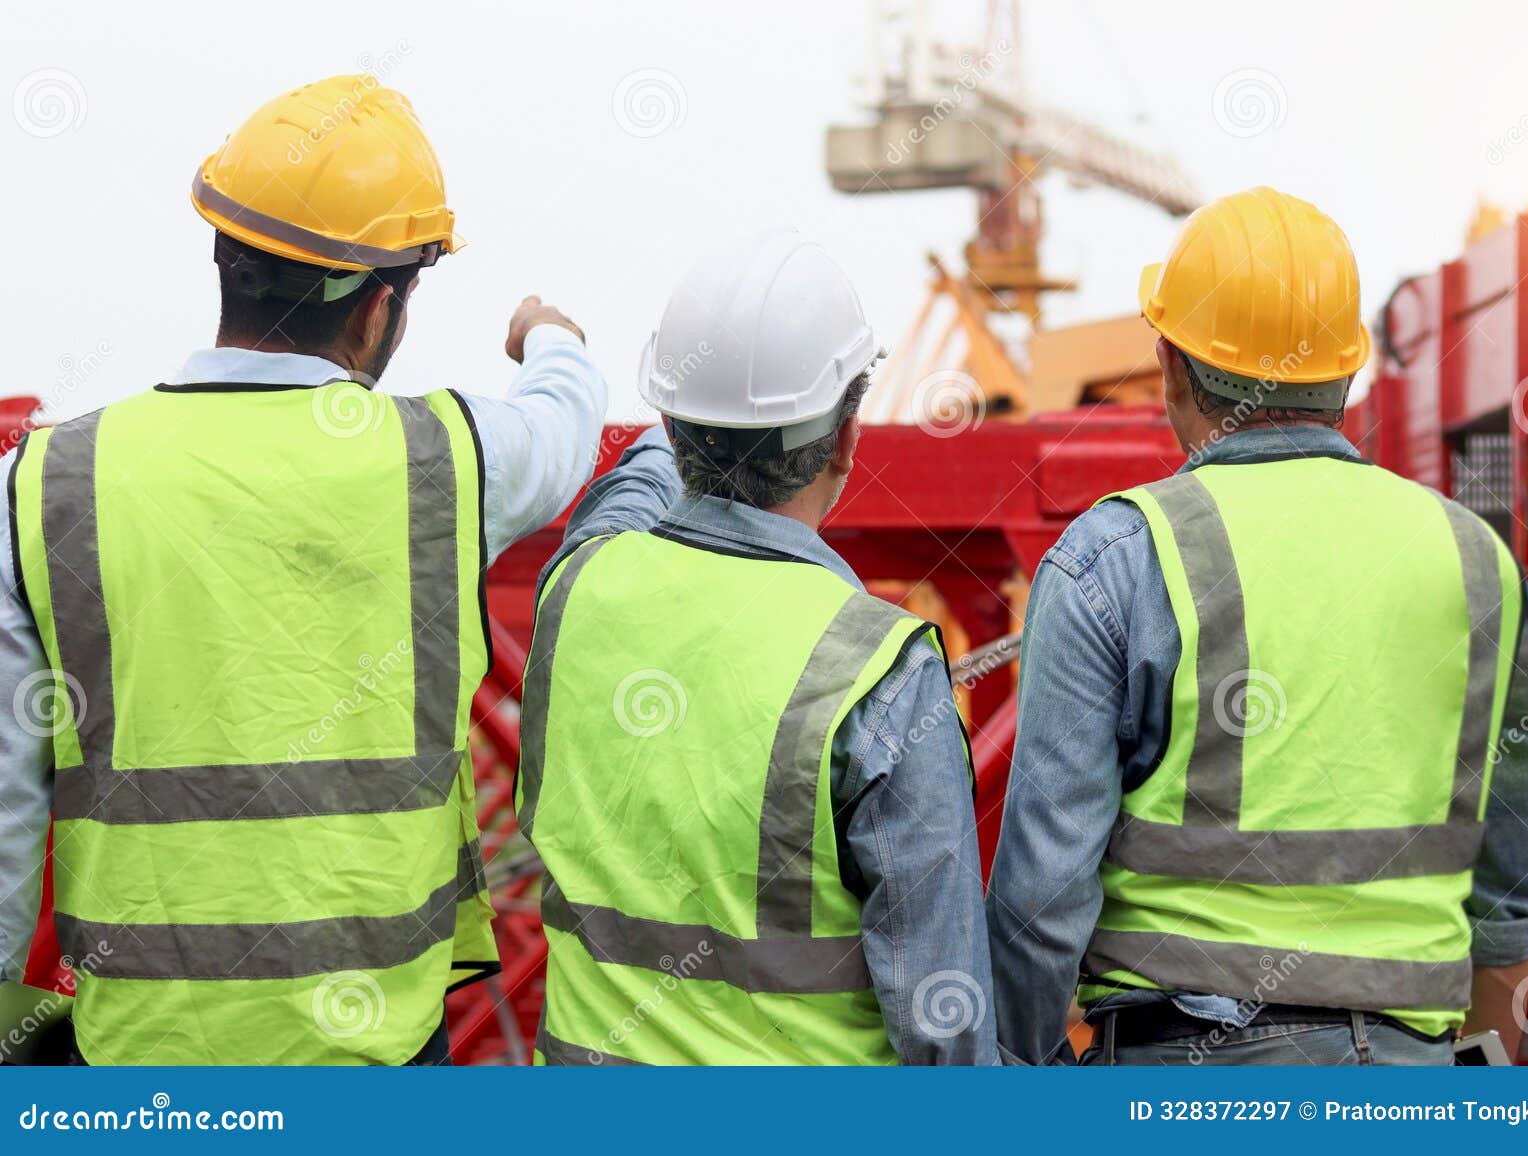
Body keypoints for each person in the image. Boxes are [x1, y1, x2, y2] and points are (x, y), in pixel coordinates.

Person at [0, 75, 607, 1065]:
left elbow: (6, 808)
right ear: (380, 308)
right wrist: (550, 336)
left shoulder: (43, 480)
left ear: (223, 259)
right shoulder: (448, 460)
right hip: (374, 1058)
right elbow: (563, 424)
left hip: (141, 1065)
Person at [986, 186, 1528, 1066]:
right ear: (1351, 372)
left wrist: (1023, 1077)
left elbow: (1040, 902)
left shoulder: (1119, 556)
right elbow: (1511, 898)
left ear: (1171, 367)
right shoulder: (1479, 562)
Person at [517, 229, 996, 1064]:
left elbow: (629, 490)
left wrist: (559, 348)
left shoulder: (575, 590)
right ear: (849, 439)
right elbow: (942, 1023)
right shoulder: (878, 667)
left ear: (668, 419)